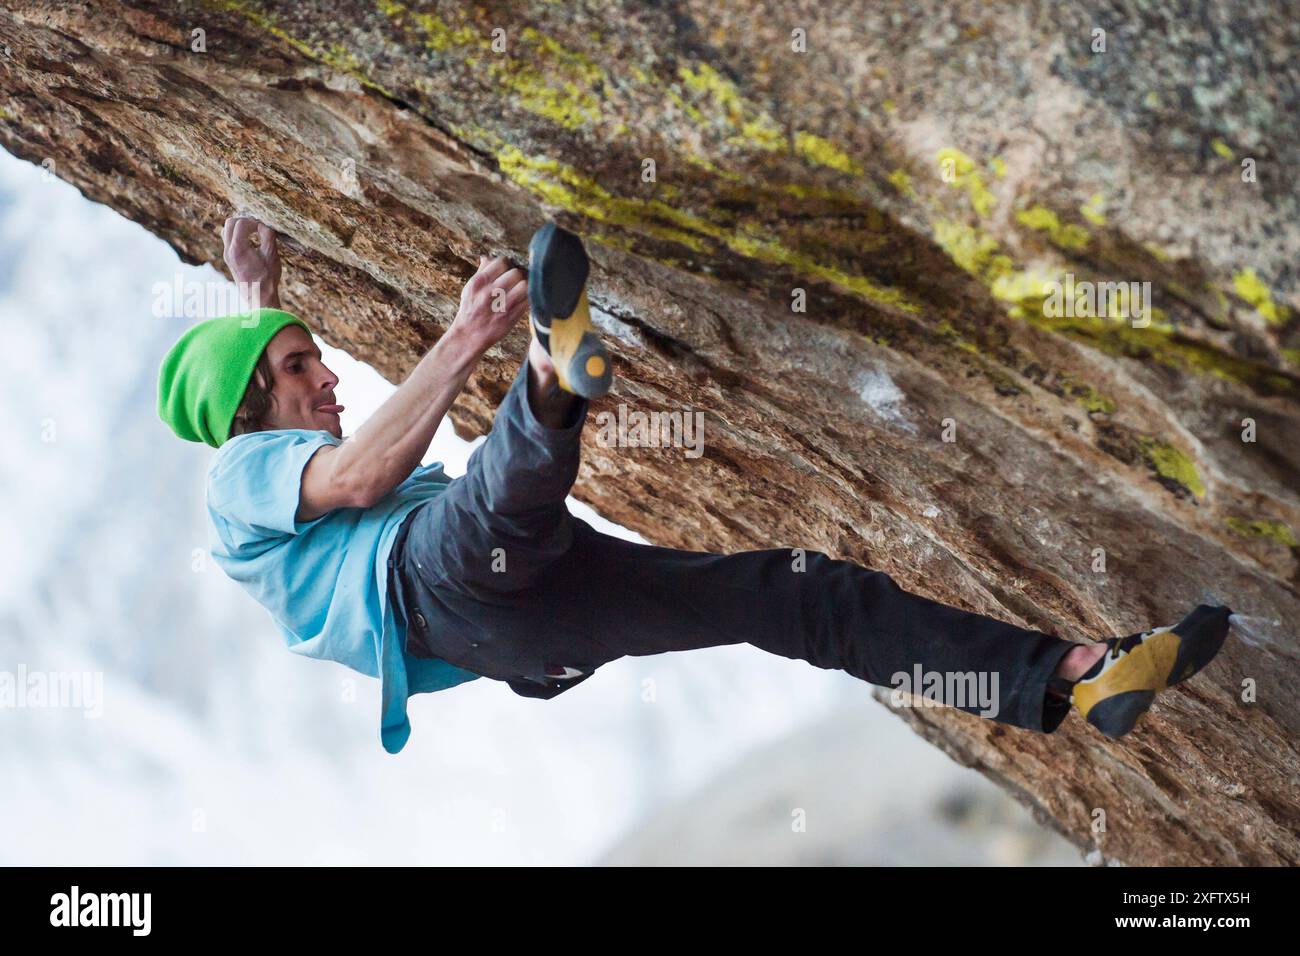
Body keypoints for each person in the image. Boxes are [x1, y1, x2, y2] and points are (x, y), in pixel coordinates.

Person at [156, 216, 1234, 754]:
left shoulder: (255, 448)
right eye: (301, 367)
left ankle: (1071, 677)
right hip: (444, 586)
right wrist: (463, 336)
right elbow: (354, 475)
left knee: (797, 596)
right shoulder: (237, 477)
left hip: (523, 634)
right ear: (250, 403)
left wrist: (255, 294)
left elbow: (264, 390)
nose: (329, 374)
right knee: (480, 509)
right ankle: (545, 375)